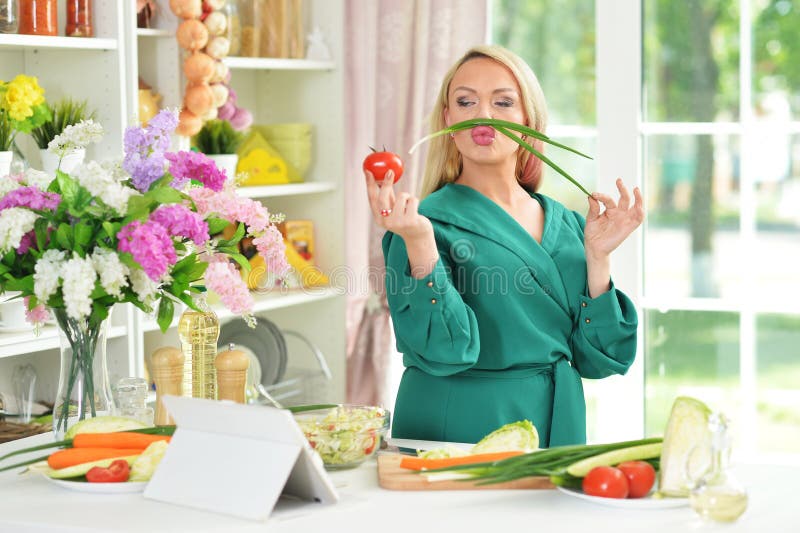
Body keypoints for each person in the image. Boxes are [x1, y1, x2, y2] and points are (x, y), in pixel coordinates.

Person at [364, 45, 644, 447]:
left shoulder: (569, 226)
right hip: (456, 429)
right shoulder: (422, 225)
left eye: (503, 102)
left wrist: (598, 260)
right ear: (448, 118)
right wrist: (419, 242)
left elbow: (602, 358)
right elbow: (445, 350)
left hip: (552, 424)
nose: (484, 115)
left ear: (528, 118)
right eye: (466, 101)